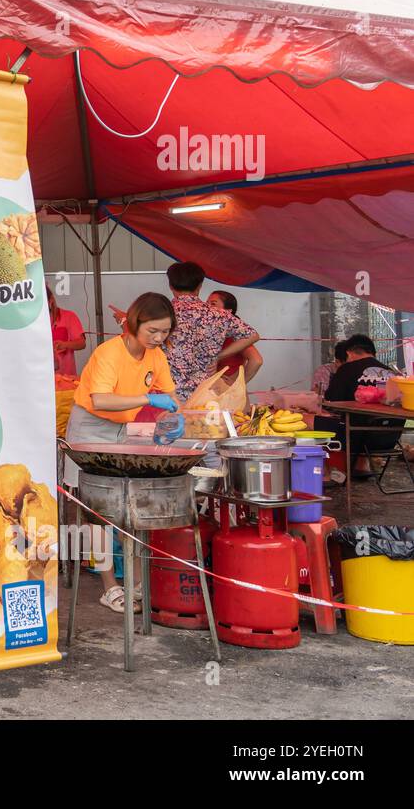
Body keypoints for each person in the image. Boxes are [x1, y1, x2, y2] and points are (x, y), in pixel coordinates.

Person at [69, 292, 178, 613]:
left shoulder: (156, 356)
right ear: (133, 324)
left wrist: (174, 416)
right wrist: (148, 401)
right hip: (89, 428)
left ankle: (136, 582)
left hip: (120, 429)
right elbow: (101, 400)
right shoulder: (109, 354)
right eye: (152, 331)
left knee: (125, 506)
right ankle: (110, 588)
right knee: (95, 513)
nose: (159, 338)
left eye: (166, 332)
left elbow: (169, 395)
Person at [157, 262, 258, 403]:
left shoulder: (159, 313)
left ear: (171, 286)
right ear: (199, 286)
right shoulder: (219, 314)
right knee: (203, 425)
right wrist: (218, 356)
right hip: (205, 395)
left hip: (167, 395)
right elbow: (252, 335)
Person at [318, 334, 403, 480]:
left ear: (349, 353)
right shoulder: (391, 373)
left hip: (355, 437)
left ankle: (327, 472)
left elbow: (331, 402)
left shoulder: (346, 370)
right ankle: (361, 466)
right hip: (390, 438)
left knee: (306, 421)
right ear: (373, 353)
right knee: (363, 420)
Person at [207, 290, 263, 384]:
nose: (206, 308)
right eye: (205, 304)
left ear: (228, 312)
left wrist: (237, 384)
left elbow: (256, 361)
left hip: (227, 392)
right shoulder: (213, 332)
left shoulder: (235, 336)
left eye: (213, 304)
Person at [48, 286, 86, 377]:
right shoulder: (33, 323)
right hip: (42, 379)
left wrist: (65, 344)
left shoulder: (69, 316)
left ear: (51, 301)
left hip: (66, 378)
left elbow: (82, 343)